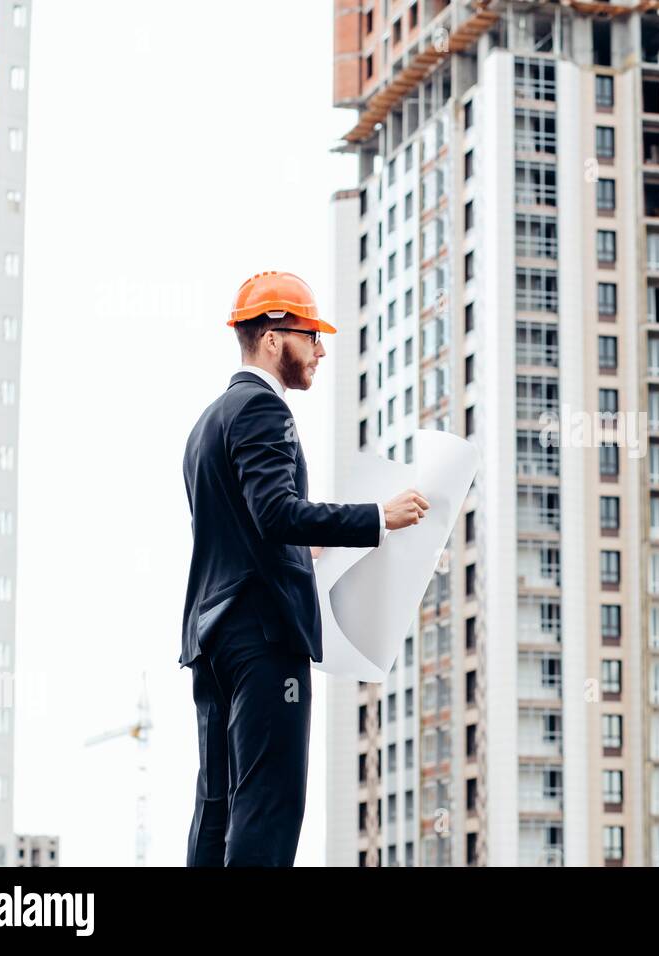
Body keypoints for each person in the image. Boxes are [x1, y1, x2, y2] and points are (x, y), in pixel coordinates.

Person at [179, 270, 429, 866]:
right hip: (264, 638)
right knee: (269, 805)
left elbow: (242, 529)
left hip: (211, 641)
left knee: (216, 808)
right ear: (272, 338)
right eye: (310, 334)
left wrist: (302, 548)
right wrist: (377, 516)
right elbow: (274, 511)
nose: (320, 349)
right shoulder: (264, 410)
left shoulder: (205, 426)